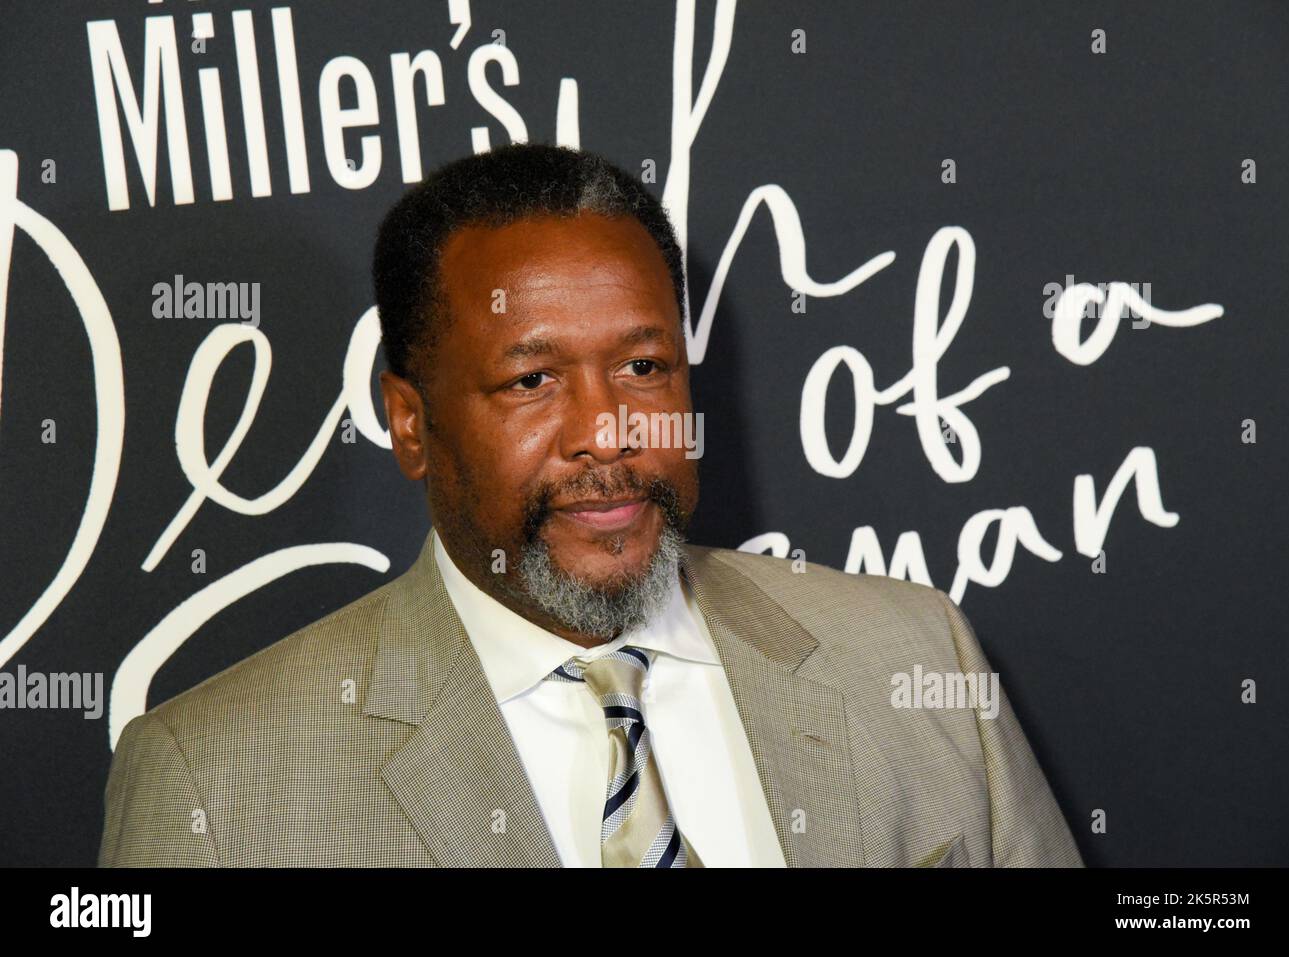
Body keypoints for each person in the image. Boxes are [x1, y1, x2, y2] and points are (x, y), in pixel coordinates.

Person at [99, 142, 1082, 868]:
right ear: (408, 423)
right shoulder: (216, 788)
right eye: (531, 383)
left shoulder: (918, 662)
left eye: (644, 367)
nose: (610, 432)